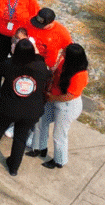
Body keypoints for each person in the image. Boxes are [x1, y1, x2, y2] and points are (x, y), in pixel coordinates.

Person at [0, 39, 51, 176]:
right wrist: (38, 56)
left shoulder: (9, 64)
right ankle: (14, 167)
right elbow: (48, 75)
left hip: (9, 107)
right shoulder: (40, 67)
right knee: (21, 137)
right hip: (31, 110)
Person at [28, 42, 89, 170]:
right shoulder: (64, 63)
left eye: (65, 53)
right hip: (54, 99)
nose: (62, 54)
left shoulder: (80, 75)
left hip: (66, 106)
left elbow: (70, 96)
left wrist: (53, 97)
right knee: (40, 120)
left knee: (59, 134)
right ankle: (39, 147)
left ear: (72, 58)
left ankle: (59, 160)